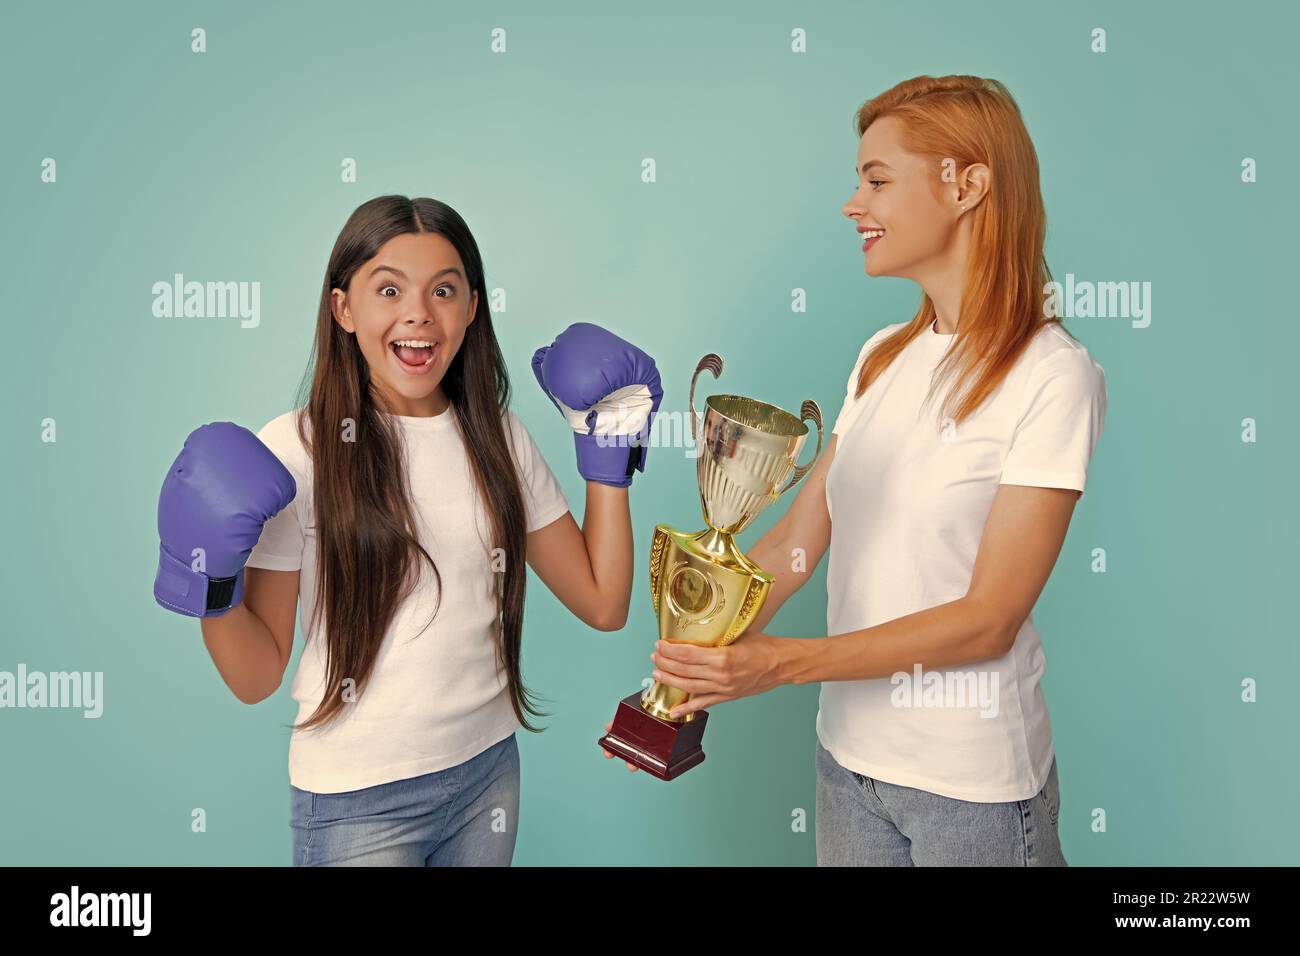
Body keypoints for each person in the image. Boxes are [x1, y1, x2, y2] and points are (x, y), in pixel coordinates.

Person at [636, 76, 1107, 866]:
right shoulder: (880, 358)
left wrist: (781, 662)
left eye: (878, 180)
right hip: (848, 765)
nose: (854, 204)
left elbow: (988, 618)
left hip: (972, 790)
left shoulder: (1052, 376)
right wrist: (702, 652)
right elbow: (797, 541)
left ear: (969, 185)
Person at [153, 195, 662, 866]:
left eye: (443, 290)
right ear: (344, 309)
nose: (418, 313)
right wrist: (206, 581)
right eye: (388, 288)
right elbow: (255, 675)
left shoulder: (499, 439)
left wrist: (609, 457)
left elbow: (603, 602)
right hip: (357, 797)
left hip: (487, 775)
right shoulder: (298, 451)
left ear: (472, 308)